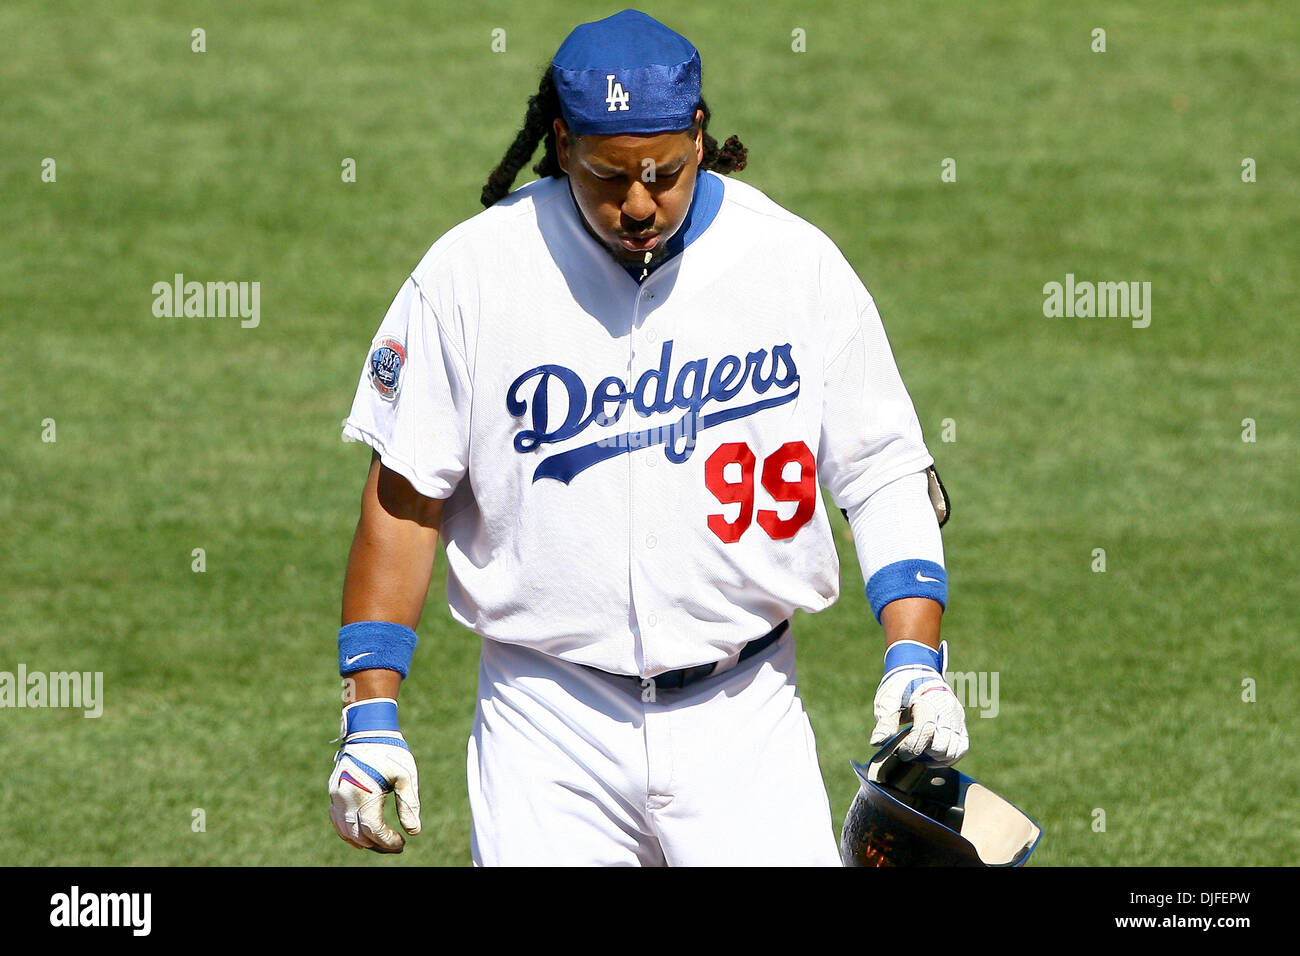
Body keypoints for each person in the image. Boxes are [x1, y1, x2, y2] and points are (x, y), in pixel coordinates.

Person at [328, 8, 968, 866]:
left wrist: (914, 657)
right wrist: (369, 714)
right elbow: (404, 501)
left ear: (700, 138)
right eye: (606, 176)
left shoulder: (793, 265)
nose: (637, 203)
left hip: (746, 714)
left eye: (662, 173)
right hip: (544, 724)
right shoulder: (473, 275)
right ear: (560, 145)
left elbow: (884, 474)